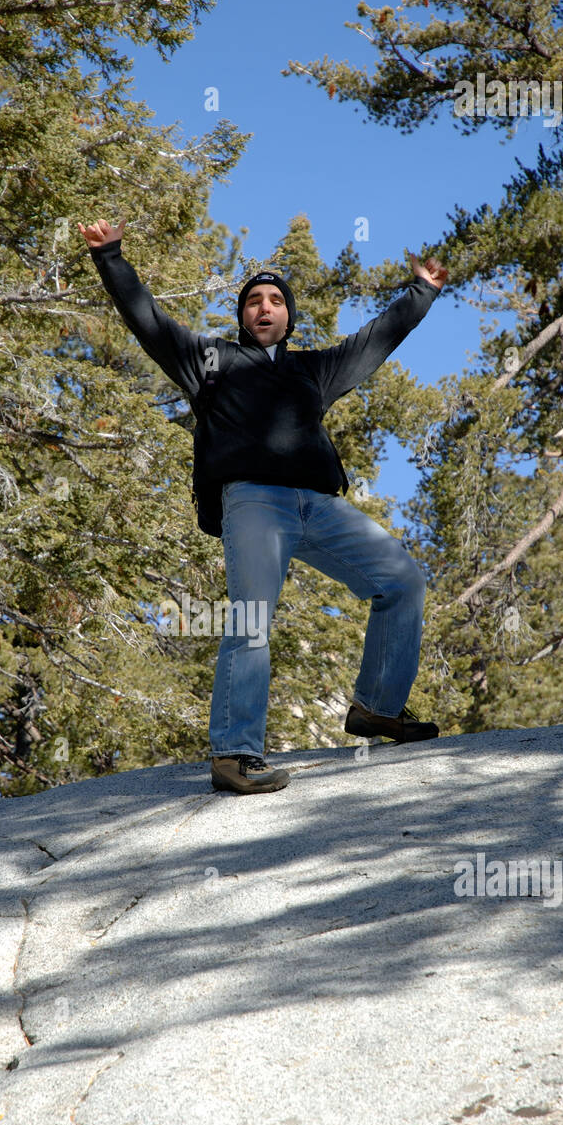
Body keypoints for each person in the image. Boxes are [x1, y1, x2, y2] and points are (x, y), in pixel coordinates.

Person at [79, 216, 448, 794]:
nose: (265, 308)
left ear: (289, 315)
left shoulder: (314, 369)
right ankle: (234, 753)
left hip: (319, 506)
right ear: (243, 315)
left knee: (401, 579)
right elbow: (147, 320)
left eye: (276, 300)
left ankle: (376, 708)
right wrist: (111, 257)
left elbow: (375, 339)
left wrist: (421, 292)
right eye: (254, 300)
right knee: (252, 618)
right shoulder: (210, 361)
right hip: (252, 503)